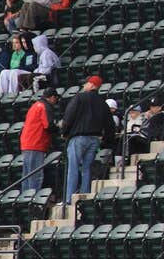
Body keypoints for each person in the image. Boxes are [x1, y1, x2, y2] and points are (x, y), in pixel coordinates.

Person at [61, 74, 116, 203]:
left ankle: (69, 199)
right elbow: (110, 125)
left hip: (78, 138)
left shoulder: (79, 97)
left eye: (86, 83)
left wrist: (64, 132)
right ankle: (84, 197)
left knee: (73, 168)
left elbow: (68, 116)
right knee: (87, 169)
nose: (84, 85)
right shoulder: (103, 103)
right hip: (94, 139)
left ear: (91, 85)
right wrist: (106, 141)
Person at [18, 87, 60, 191]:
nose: (56, 101)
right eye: (56, 98)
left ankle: (26, 200)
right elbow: (48, 126)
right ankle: (32, 201)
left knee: (27, 175)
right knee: (35, 175)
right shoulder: (45, 106)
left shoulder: (35, 105)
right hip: (36, 143)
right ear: (52, 97)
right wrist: (59, 127)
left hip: (27, 143)